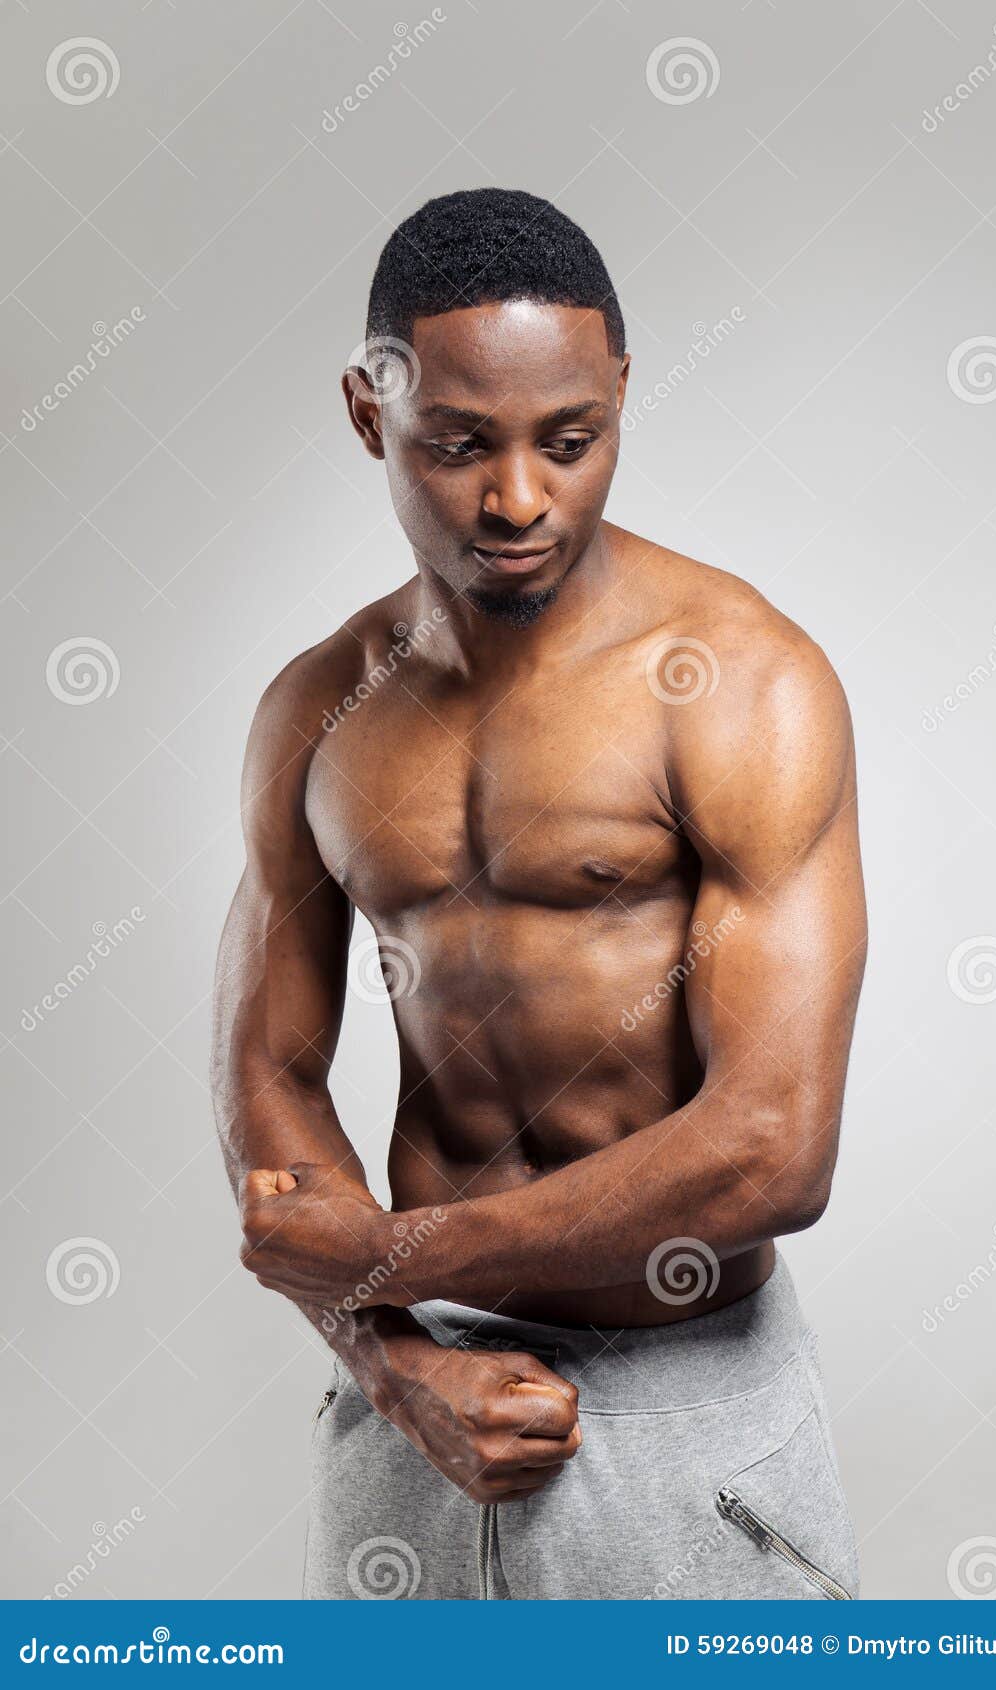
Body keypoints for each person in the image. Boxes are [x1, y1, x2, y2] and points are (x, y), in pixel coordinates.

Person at [210, 187, 867, 1601]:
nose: (520, 498)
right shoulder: (319, 711)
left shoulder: (745, 683)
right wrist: (391, 1362)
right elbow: (268, 1065)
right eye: (460, 444)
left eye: (572, 440)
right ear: (367, 408)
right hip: (413, 1409)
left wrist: (388, 1252)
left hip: (684, 1408)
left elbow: (776, 1145)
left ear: (622, 389)